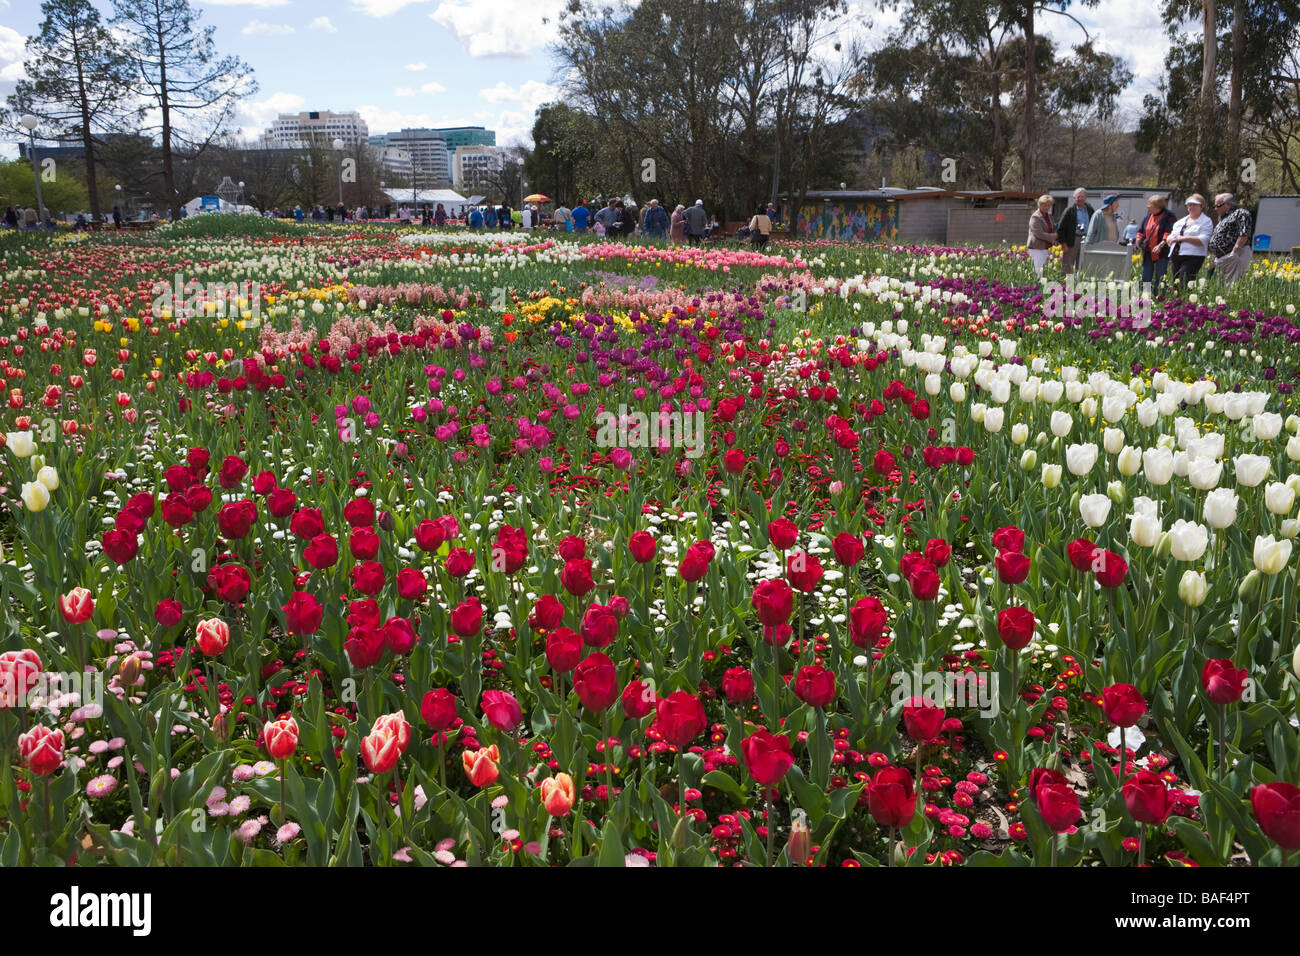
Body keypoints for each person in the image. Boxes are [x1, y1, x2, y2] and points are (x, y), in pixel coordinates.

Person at [1207, 193, 1254, 287]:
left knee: (1232, 286)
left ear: (1229, 204)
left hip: (1235, 254)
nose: (1215, 208)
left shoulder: (1241, 213)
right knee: (1220, 287)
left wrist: (1234, 253)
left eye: (1218, 206)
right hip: (1222, 258)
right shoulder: (1223, 218)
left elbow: (1244, 233)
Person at [1166, 194, 1213, 286]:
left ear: (1201, 206)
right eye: (1189, 204)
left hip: (1193, 256)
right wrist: (1170, 239)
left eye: (1194, 204)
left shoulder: (1206, 221)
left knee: (1184, 283)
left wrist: (1184, 238)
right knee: (1175, 284)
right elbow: (1172, 235)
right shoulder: (1181, 221)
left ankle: (1185, 300)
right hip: (1176, 255)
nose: (1191, 207)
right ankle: (1176, 300)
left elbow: (1204, 240)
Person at [1134, 194, 1176, 297]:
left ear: (1158, 207)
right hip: (1148, 252)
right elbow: (1141, 231)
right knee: (1146, 276)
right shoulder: (1148, 216)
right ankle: (1144, 298)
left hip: (1162, 253)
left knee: (1160, 278)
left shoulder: (1169, 216)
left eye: (1150, 204)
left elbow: (1169, 232)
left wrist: (1160, 245)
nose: (1147, 206)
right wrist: (1138, 241)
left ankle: (1159, 298)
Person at [1057, 188, 1093, 274]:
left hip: (1086, 240)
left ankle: (1078, 284)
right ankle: (1066, 285)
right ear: (1074, 198)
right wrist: (1063, 243)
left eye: (1082, 196)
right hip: (1072, 240)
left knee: (1082, 265)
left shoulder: (1089, 209)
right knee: (1068, 265)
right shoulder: (1069, 211)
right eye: (1078, 196)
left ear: (1086, 198)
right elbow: (1060, 228)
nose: (1080, 198)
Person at [1026, 194, 1058, 277]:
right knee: (1037, 271)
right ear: (1039, 205)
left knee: (1042, 270)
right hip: (1037, 247)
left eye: (1049, 205)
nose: (1047, 207)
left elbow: (1052, 228)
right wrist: (1054, 236)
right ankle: (1035, 287)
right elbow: (1038, 233)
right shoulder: (1035, 217)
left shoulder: (1049, 216)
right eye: (1044, 205)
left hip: (1045, 247)